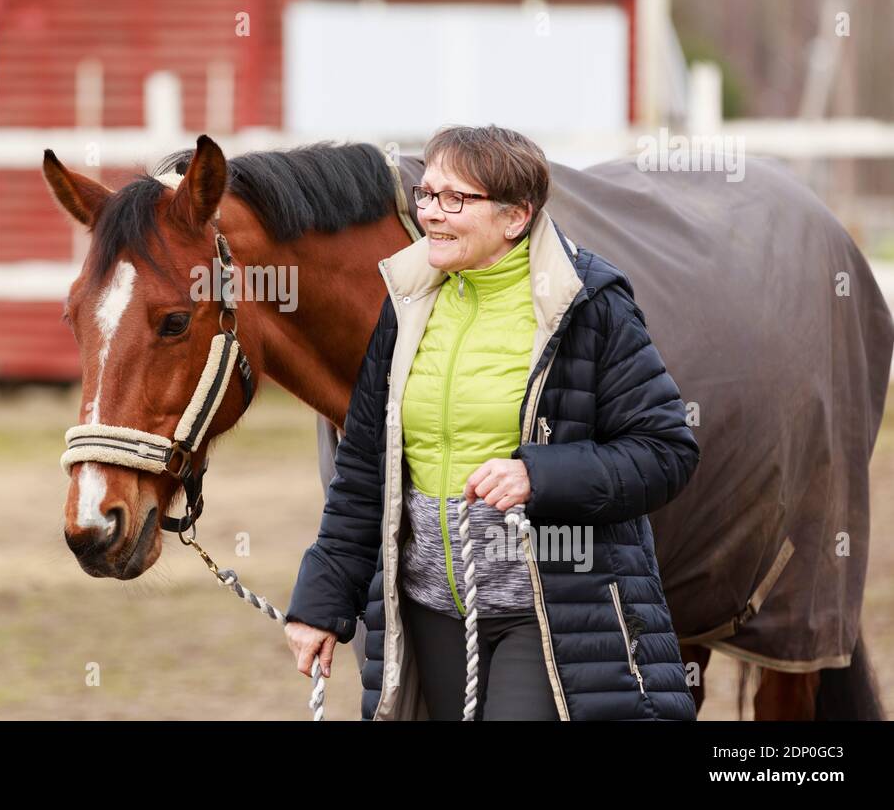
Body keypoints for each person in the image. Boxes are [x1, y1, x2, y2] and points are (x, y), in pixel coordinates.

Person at [283, 125, 701, 720]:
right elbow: (363, 473)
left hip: (548, 605)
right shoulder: (405, 303)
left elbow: (666, 452)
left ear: (514, 217)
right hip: (430, 608)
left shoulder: (588, 303)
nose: (430, 214)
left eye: (455, 199)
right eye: (426, 194)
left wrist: (540, 476)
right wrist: (321, 602)